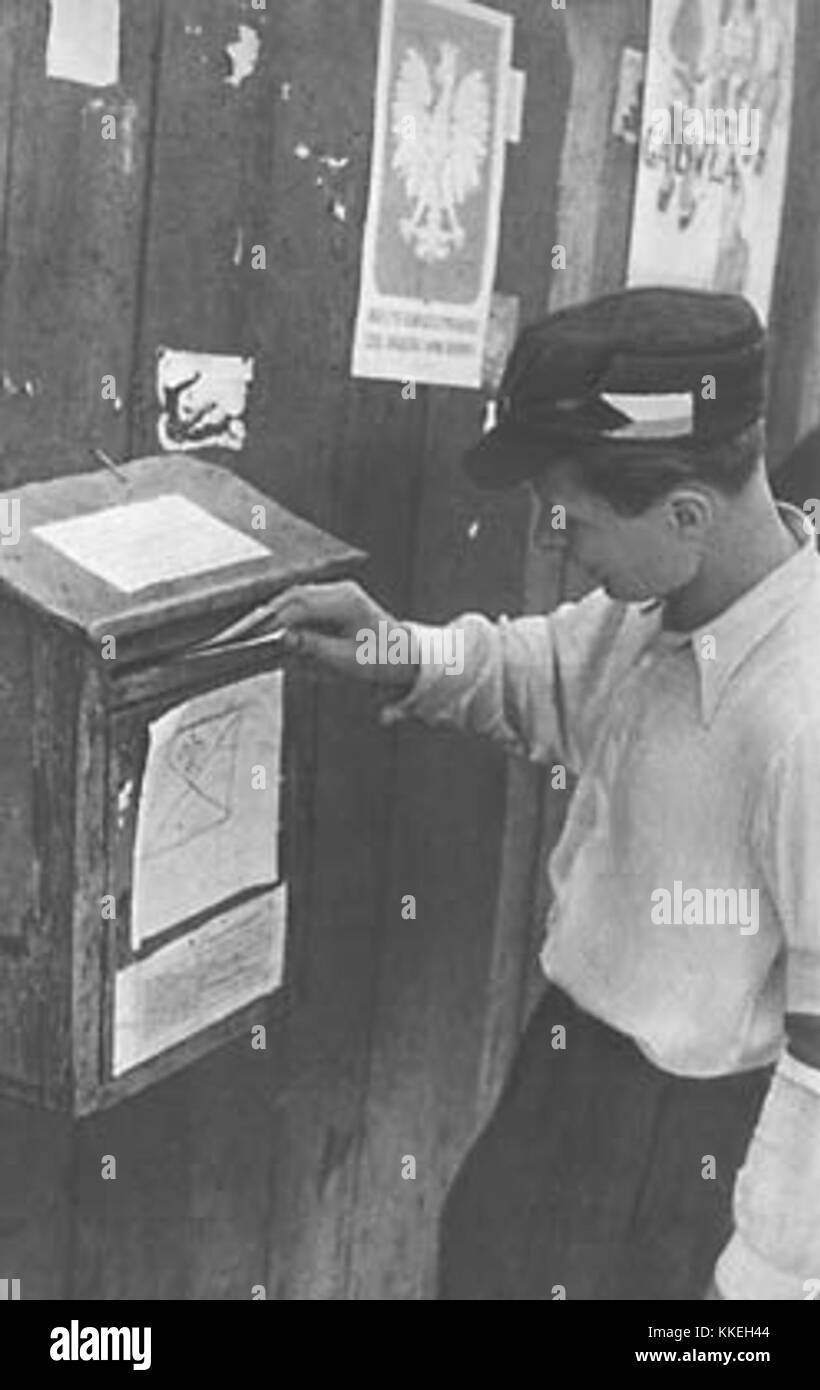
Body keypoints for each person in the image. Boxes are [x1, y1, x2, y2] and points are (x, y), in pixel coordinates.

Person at [264, 287, 820, 1300]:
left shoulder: (802, 719)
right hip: (569, 1070)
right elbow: (542, 672)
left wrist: (765, 1277)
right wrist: (395, 648)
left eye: (568, 519)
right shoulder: (659, 601)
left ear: (686, 512)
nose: (554, 542)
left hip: (703, 1147)